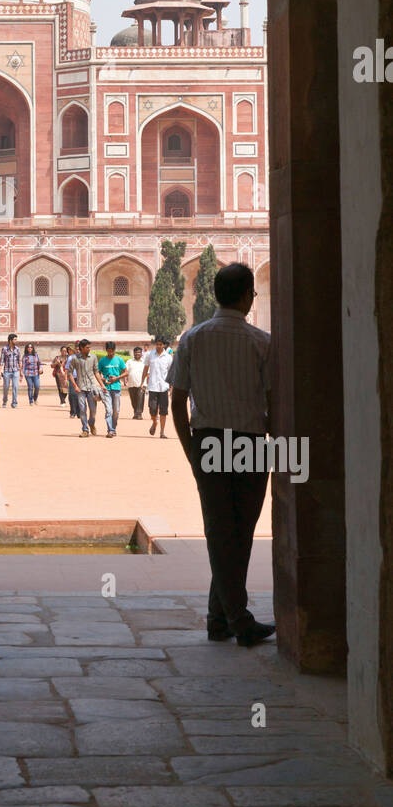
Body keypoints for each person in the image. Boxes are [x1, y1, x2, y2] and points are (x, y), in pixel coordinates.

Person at [171, 263, 275, 647]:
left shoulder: (193, 338)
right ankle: (239, 618)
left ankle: (220, 618)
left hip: (208, 440)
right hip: (251, 443)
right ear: (248, 295)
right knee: (239, 532)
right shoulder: (260, 342)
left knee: (220, 530)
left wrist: (190, 448)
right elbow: (274, 402)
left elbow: (177, 399)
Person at [67, 338, 106, 437]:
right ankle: (85, 429)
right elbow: (70, 373)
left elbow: (96, 372)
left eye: (90, 347)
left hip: (91, 387)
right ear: (81, 348)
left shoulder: (93, 357)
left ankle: (91, 423)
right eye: (87, 347)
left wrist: (102, 385)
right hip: (80, 388)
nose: (89, 349)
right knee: (82, 409)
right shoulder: (74, 358)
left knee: (93, 410)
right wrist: (75, 386)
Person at [144, 338, 173, 437]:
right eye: (157, 344)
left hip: (164, 387)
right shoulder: (150, 355)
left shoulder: (168, 358)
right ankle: (154, 422)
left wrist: (171, 387)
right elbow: (146, 368)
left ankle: (162, 432)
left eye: (160, 344)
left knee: (163, 411)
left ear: (164, 345)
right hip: (152, 387)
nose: (158, 346)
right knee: (152, 410)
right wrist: (142, 382)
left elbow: (171, 373)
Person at [97, 340, 127, 437]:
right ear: (106, 350)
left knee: (116, 411)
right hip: (106, 389)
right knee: (108, 410)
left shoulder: (119, 360)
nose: (110, 352)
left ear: (114, 350)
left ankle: (113, 428)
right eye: (108, 350)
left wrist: (116, 378)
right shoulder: (102, 361)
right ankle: (110, 430)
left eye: (112, 350)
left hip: (116, 388)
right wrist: (102, 380)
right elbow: (98, 373)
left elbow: (126, 372)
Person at [0, 333, 21, 409]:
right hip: (7, 371)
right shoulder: (4, 349)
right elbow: (1, 360)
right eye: (15, 339)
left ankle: (14, 403)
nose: (16, 341)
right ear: (10, 340)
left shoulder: (17, 349)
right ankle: (4, 401)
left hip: (15, 370)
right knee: (6, 387)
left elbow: (19, 361)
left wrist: (21, 372)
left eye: (16, 339)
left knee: (15, 387)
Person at [125, 345, 147, 419]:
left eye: (139, 352)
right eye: (136, 352)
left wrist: (146, 384)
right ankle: (135, 412)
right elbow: (125, 371)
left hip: (141, 384)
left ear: (141, 353)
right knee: (133, 400)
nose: (137, 354)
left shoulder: (144, 362)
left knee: (140, 399)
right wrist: (125, 380)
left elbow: (148, 373)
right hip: (131, 384)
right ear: (133, 353)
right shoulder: (129, 361)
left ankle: (139, 414)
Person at [64, 342, 82, 419]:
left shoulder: (83, 357)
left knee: (79, 395)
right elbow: (67, 369)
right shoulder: (71, 357)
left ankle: (79, 412)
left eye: (79, 349)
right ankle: (72, 412)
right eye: (76, 349)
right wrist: (65, 379)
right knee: (72, 395)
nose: (78, 351)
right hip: (72, 378)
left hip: (81, 378)